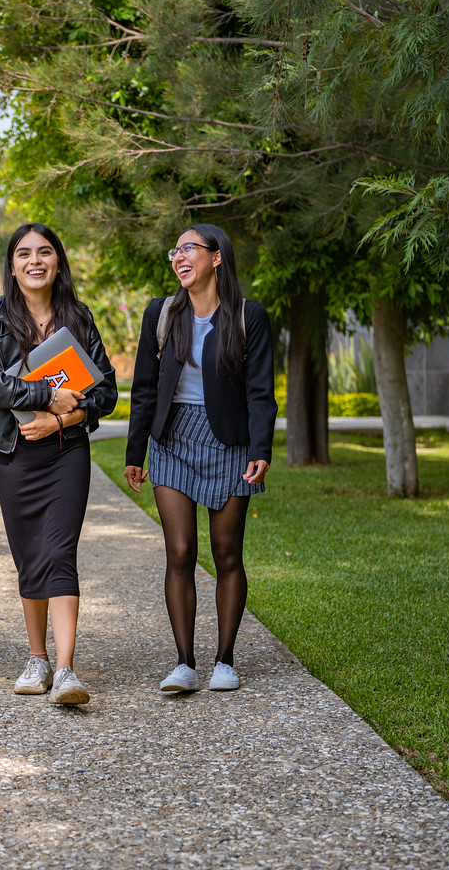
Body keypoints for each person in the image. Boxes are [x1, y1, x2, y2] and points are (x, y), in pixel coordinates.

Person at [0, 223, 117, 705]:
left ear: (58, 262)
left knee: (60, 552)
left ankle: (66, 669)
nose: (35, 261)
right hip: (13, 451)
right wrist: (48, 397)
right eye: (24, 254)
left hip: (67, 452)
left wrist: (62, 422)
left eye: (45, 252)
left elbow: (105, 391)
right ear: (12, 265)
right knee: (29, 553)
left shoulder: (80, 318)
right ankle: (37, 658)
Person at [123, 224, 277, 693]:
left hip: (229, 443)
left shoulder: (249, 316)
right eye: (175, 250)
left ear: (216, 258)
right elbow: (145, 388)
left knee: (227, 553)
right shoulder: (162, 313)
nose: (179, 257)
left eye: (189, 248)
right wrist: (135, 451)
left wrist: (260, 450)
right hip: (173, 440)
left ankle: (225, 660)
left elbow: (261, 392)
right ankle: (184, 662)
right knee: (180, 551)